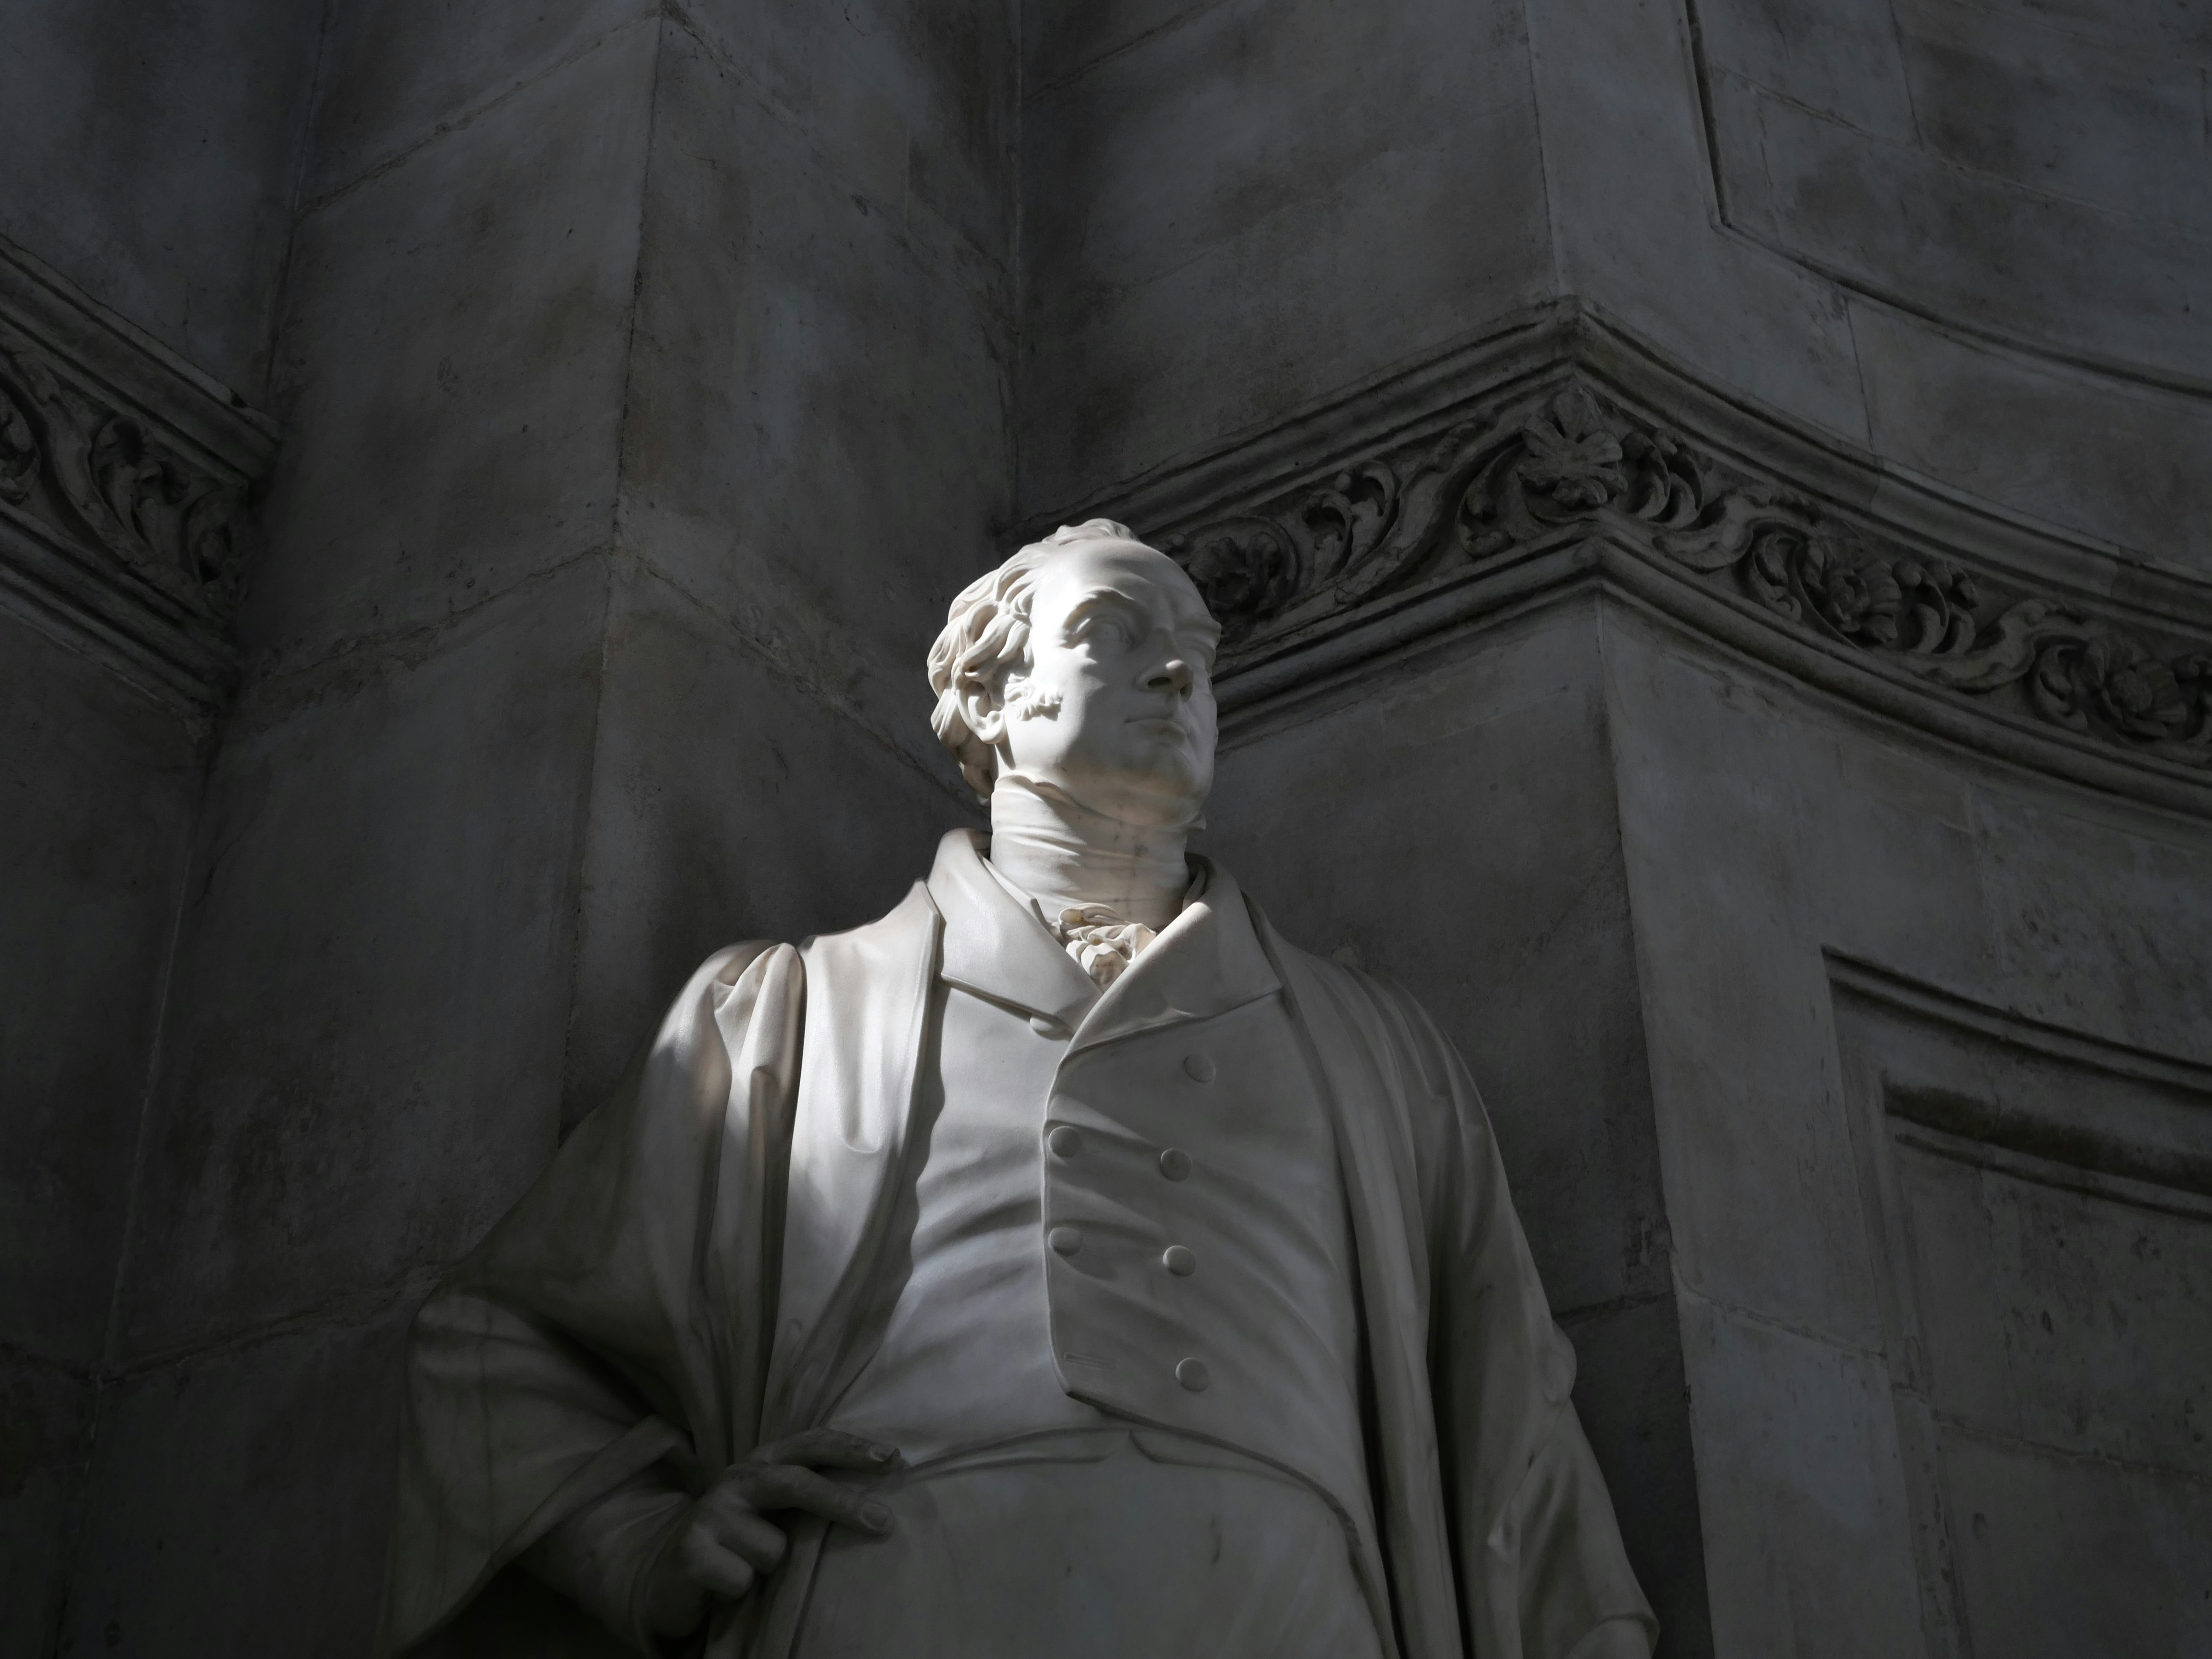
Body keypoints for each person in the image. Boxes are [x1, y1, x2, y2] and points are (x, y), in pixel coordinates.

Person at [381, 520, 1656, 1658]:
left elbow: (1515, 1433)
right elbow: (505, 1343)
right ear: (992, 696)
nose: (1180, 671)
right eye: (1116, 632)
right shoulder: (790, 1014)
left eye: (1201, 651)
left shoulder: (1384, 1058)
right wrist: (636, 1543)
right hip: (908, 1600)